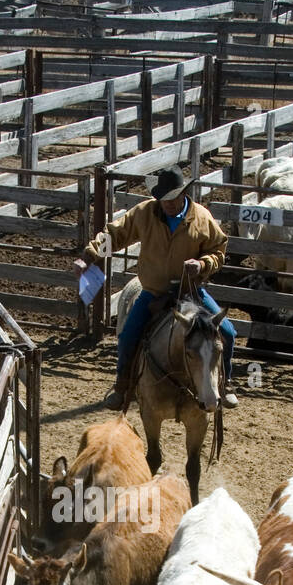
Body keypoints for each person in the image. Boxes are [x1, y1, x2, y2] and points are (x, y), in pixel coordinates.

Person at [74, 166, 238, 410]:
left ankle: (225, 385)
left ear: (183, 194)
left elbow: (219, 251)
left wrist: (203, 264)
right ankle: (122, 385)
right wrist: (89, 256)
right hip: (154, 290)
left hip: (190, 291)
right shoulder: (145, 213)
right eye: (163, 200)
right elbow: (115, 234)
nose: (168, 204)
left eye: (172, 199)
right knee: (128, 334)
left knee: (227, 332)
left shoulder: (202, 218)